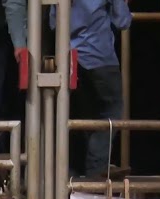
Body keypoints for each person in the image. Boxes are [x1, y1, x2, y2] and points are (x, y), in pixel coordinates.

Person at [49, 0, 131, 179]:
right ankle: (96, 170)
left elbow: (53, 23)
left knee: (81, 115)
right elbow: (123, 21)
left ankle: (72, 174)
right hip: (100, 57)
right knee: (111, 113)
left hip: (70, 59)